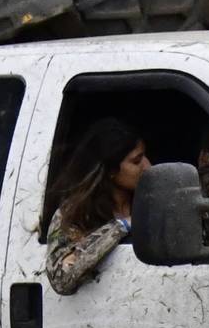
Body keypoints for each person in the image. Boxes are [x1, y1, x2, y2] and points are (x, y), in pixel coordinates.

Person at [45, 119, 149, 295]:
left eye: (145, 156)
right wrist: (121, 227)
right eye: (137, 161)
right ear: (111, 171)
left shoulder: (152, 203)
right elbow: (61, 278)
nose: (148, 166)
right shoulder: (74, 215)